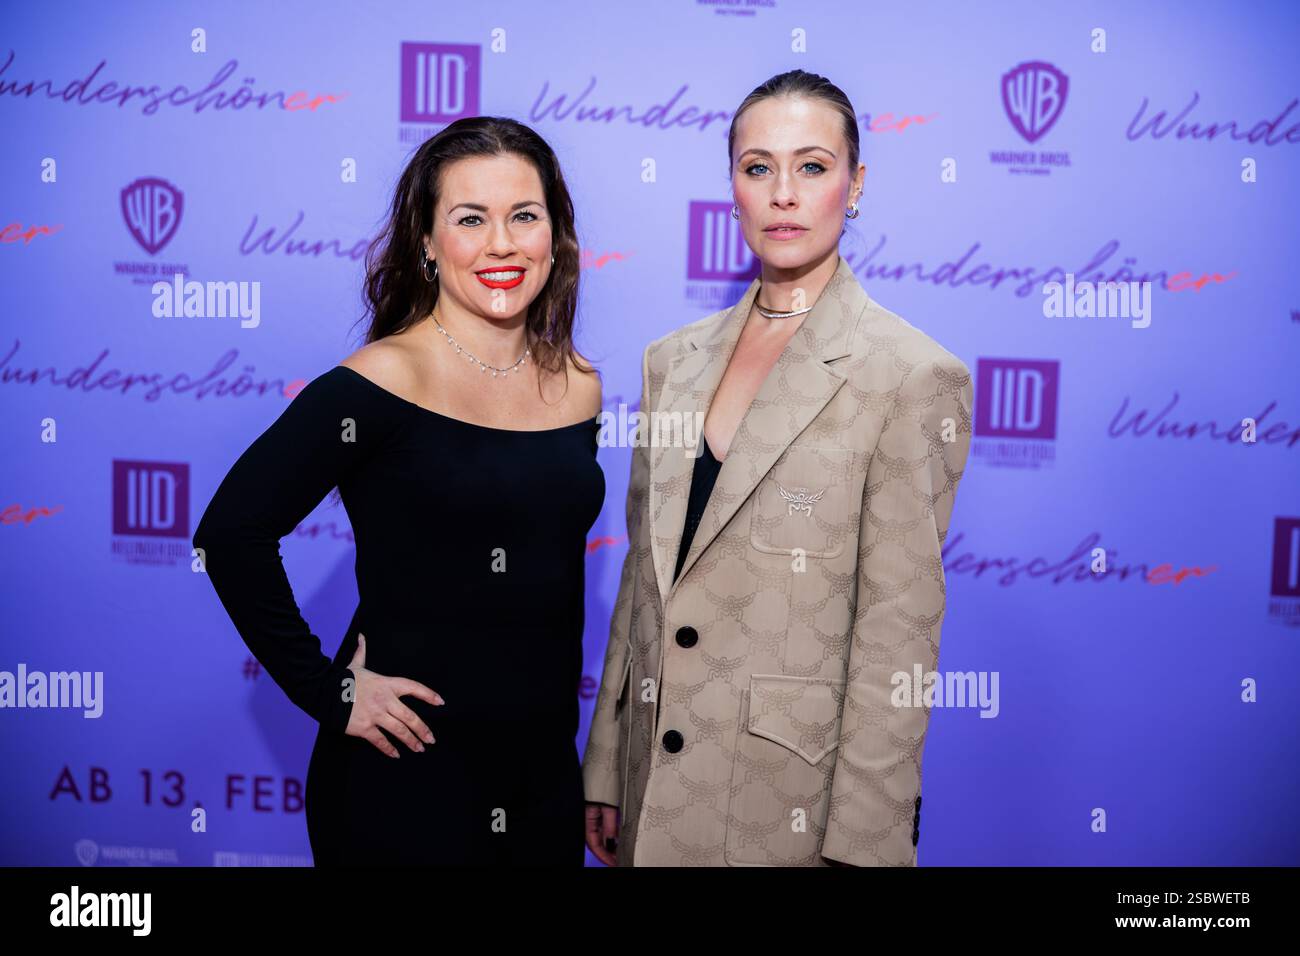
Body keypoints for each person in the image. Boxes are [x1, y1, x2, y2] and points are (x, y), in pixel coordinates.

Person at [583, 70, 974, 867]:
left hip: (790, 809)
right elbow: (644, 586)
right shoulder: (673, 362)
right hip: (653, 785)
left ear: (855, 185)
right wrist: (607, 766)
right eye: (758, 167)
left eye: (813, 166)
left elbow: (899, 640)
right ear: (732, 186)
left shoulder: (910, 376)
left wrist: (864, 844)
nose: (784, 193)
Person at [193, 116, 604, 866]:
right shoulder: (382, 379)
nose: (502, 244)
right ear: (426, 240)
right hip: (406, 778)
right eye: (470, 219)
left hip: (542, 778)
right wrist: (329, 693)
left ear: (556, 235)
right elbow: (230, 533)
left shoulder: (578, 387)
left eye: (524, 216)